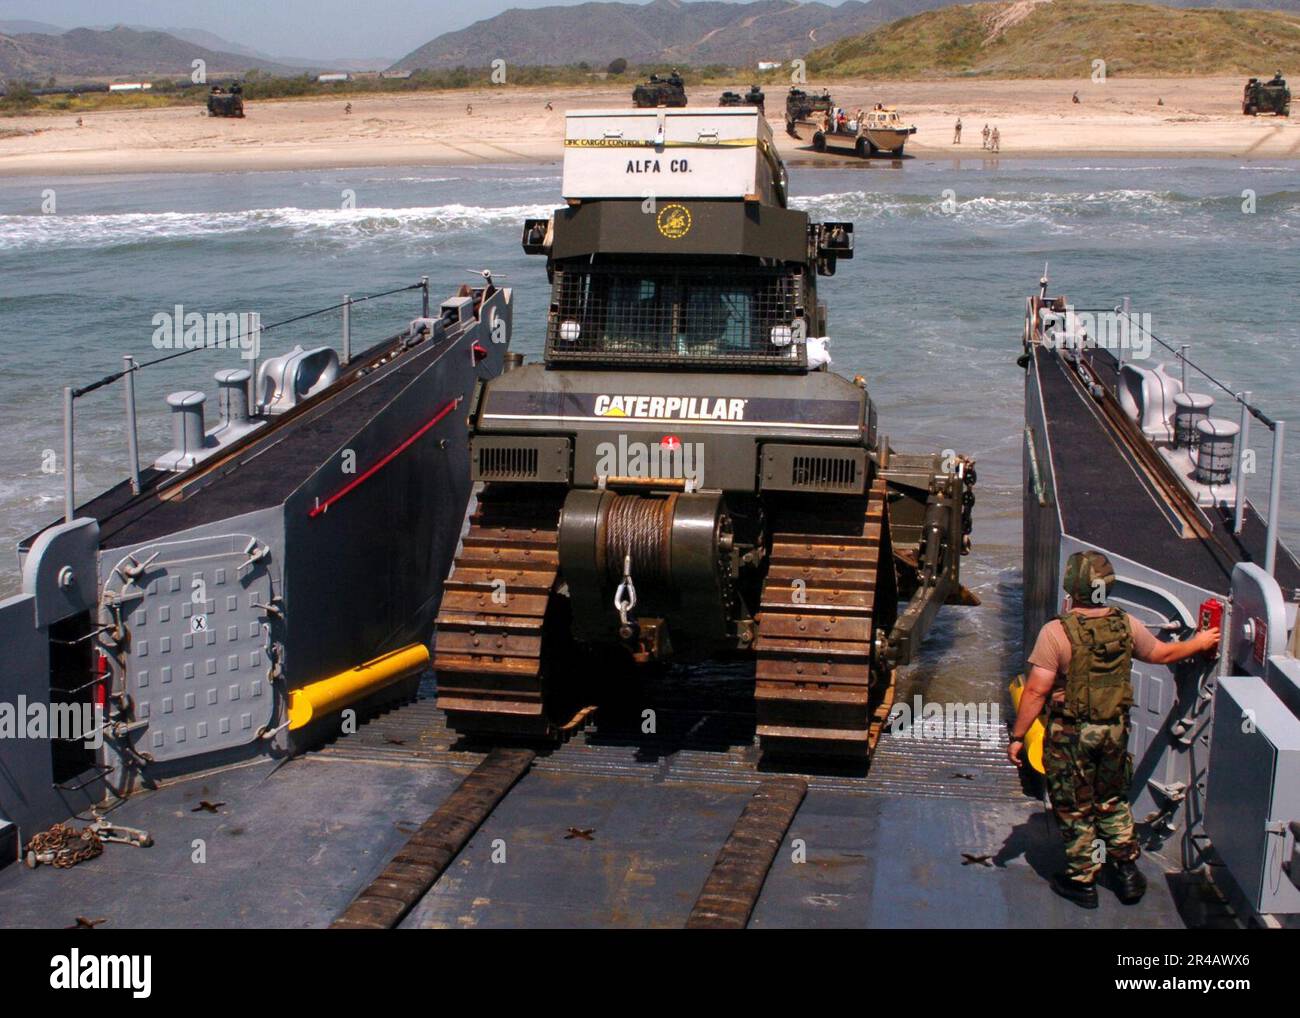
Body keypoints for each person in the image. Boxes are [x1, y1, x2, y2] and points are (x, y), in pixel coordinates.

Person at [1009, 551, 1220, 909]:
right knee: (1111, 800)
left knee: (1075, 806)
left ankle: (1082, 881)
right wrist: (1198, 643)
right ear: (1106, 587)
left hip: (1071, 736)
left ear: (1071, 586)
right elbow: (1160, 655)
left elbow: (1035, 690)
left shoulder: (1056, 632)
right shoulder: (1126, 624)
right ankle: (1126, 873)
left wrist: (1017, 737)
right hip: (1113, 732)